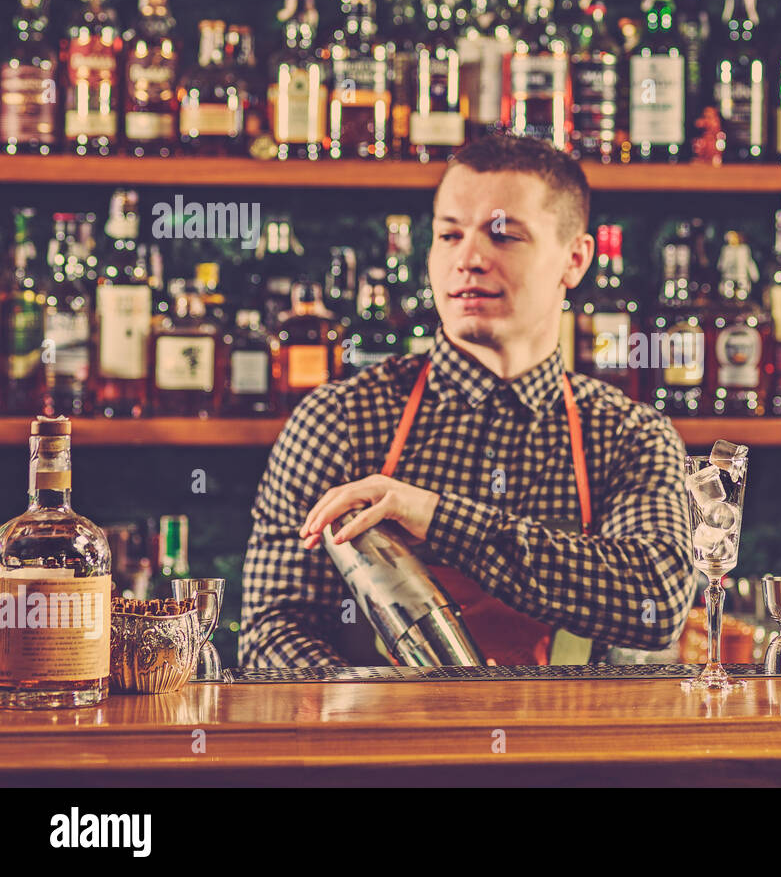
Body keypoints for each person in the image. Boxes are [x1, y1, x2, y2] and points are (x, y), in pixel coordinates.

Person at [239, 134, 695, 668]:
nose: (469, 259)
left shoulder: (627, 434)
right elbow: (273, 631)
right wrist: (366, 719)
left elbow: (655, 601)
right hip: (388, 742)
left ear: (575, 259)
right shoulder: (340, 421)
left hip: (566, 747)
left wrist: (437, 519)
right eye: (449, 235)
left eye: (504, 235)